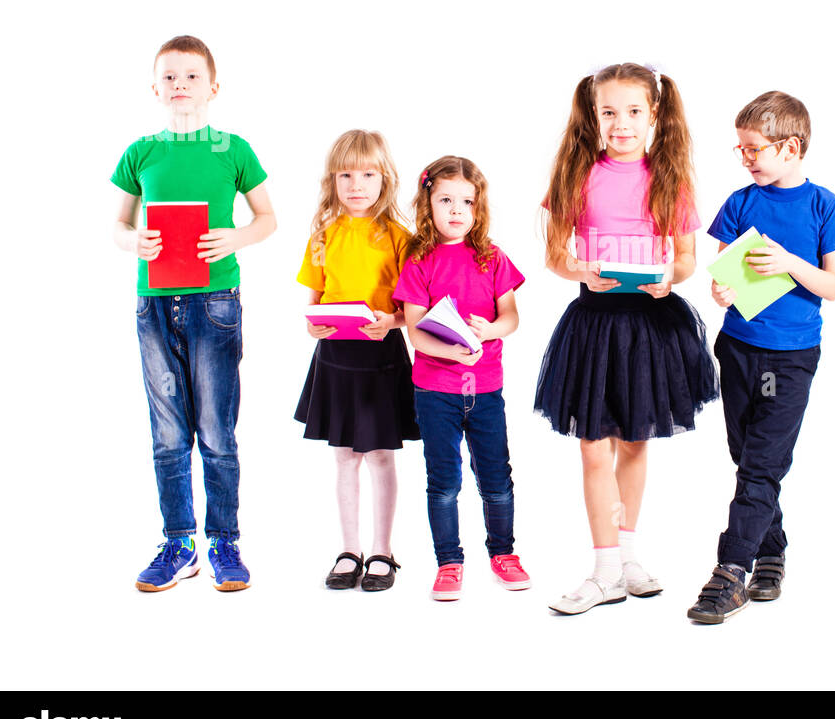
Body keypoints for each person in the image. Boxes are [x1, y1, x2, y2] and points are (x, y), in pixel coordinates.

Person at [536, 62, 718, 616]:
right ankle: (605, 568)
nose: (621, 123)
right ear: (593, 116)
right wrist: (581, 271)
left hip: (649, 326)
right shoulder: (575, 175)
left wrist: (671, 278)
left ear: (654, 116)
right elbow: (555, 256)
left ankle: (630, 558)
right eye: (609, 112)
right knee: (593, 448)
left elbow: (686, 259)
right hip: (593, 324)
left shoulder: (671, 180)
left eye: (634, 112)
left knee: (635, 442)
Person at [687, 91, 835, 623]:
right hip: (738, 348)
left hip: (791, 357)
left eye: (753, 148)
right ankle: (772, 551)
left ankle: (731, 570)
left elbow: (833, 286)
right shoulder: (740, 202)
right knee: (750, 460)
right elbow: (721, 274)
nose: (745, 158)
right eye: (739, 149)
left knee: (762, 463)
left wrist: (788, 262)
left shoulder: (823, 205)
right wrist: (722, 293)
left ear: (791, 147)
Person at [112, 35, 276, 592]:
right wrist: (133, 241)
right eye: (169, 76)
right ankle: (178, 542)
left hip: (215, 304)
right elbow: (118, 225)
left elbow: (267, 220)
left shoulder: (233, 149)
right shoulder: (140, 152)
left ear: (214, 86)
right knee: (167, 432)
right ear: (154, 87)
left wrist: (235, 238)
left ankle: (224, 540)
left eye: (191, 76)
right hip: (154, 303)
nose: (180, 85)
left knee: (216, 430)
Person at [395, 156, 530, 601]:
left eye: (466, 202)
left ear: (478, 207)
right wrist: (449, 349)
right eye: (446, 200)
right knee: (444, 480)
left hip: (486, 388)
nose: (456, 210)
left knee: (495, 476)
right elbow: (415, 331)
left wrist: (491, 330)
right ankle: (449, 562)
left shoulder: (492, 258)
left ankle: (503, 554)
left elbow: (510, 316)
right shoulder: (419, 261)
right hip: (436, 392)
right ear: (428, 203)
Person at [295, 130, 419, 592]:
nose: (356, 184)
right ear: (333, 180)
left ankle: (383, 551)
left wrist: (392, 320)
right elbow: (313, 302)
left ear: (384, 179)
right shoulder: (323, 235)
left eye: (367, 174)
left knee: (382, 457)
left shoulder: (400, 237)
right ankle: (349, 550)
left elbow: (410, 311)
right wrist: (312, 325)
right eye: (346, 174)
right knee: (344, 457)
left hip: (382, 354)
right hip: (335, 357)